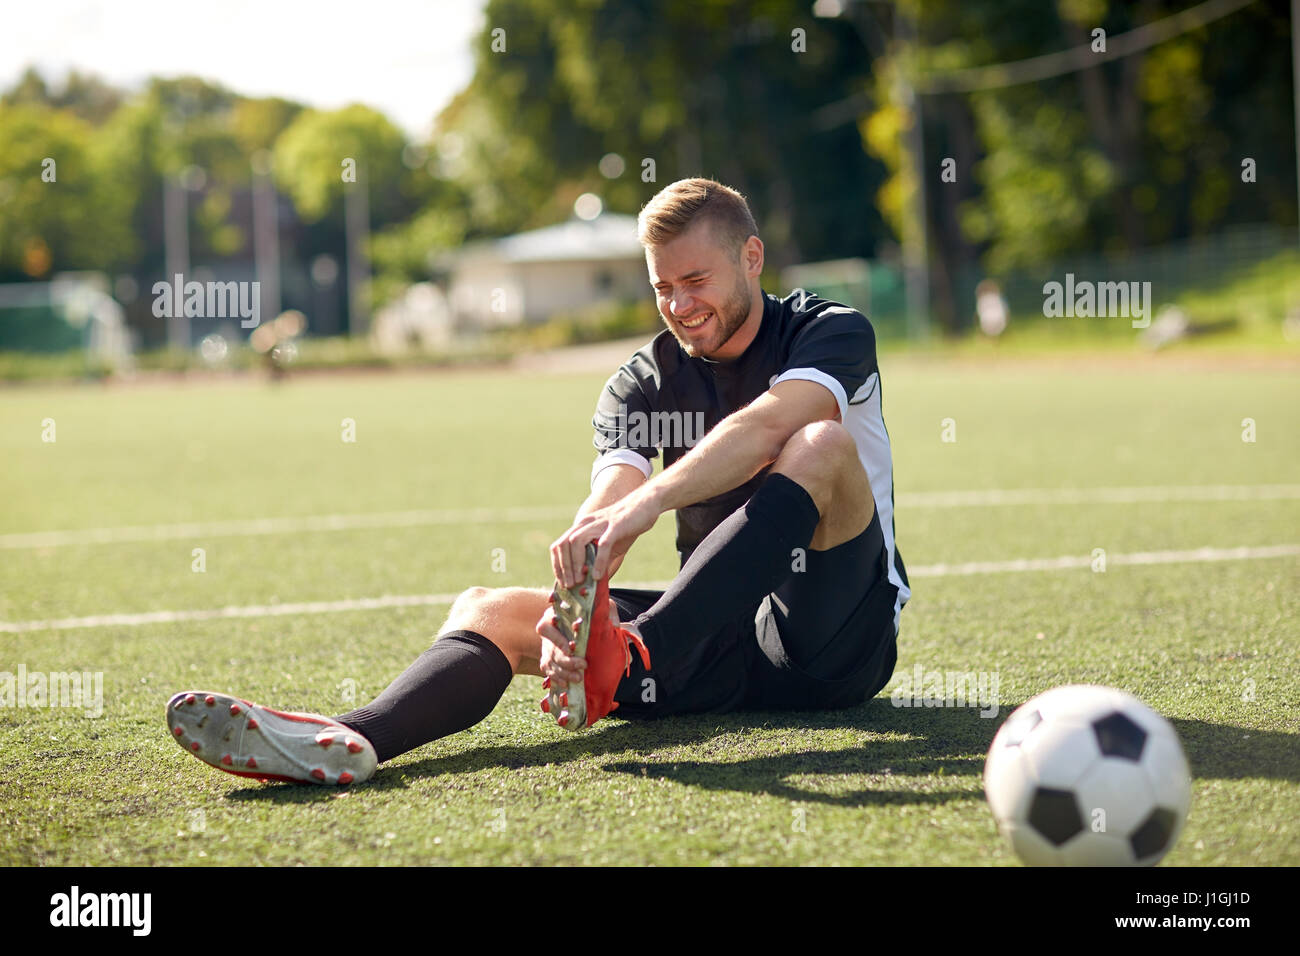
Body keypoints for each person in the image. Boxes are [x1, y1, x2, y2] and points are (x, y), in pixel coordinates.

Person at [166, 178, 911, 785]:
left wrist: (649, 513)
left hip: (833, 641)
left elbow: (770, 429)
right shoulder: (642, 380)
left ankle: (636, 655)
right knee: (489, 606)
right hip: (711, 633)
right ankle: (348, 740)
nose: (681, 305)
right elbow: (613, 490)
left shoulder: (830, 331)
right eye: (663, 289)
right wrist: (578, 598)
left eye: (696, 281)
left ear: (752, 258)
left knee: (818, 443)